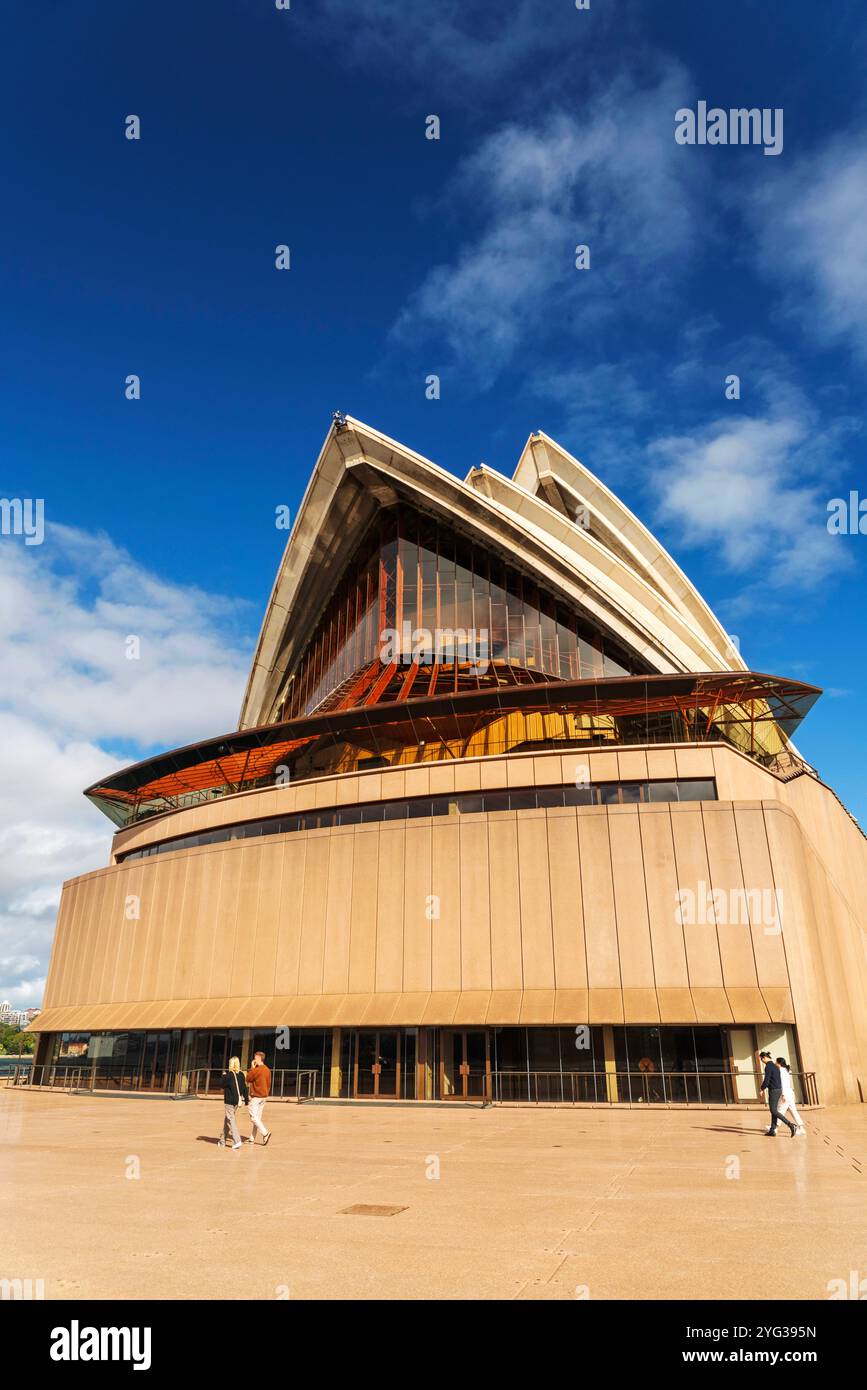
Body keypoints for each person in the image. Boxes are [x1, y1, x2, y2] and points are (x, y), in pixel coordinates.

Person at [758, 1049, 797, 1136]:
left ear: (764, 1058)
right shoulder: (775, 1066)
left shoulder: (768, 1067)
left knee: (773, 1110)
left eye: (761, 1059)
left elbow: (766, 1080)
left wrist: (761, 1089)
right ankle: (772, 1130)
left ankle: (791, 1125)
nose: (762, 1061)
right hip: (778, 1090)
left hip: (774, 1091)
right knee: (774, 1110)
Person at [217, 1056, 249, 1150]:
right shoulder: (242, 1075)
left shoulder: (229, 1075)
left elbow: (222, 1085)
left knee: (230, 1120)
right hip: (237, 1101)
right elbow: (244, 1088)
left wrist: (223, 1075)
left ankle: (237, 1140)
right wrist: (246, 1099)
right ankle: (222, 1141)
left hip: (229, 1101)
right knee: (227, 1119)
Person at [245, 1050, 272, 1146]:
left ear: (259, 1058)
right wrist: (266, 1093)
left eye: (255, 1057)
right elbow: (269, 1084)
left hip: (256, 1096)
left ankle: (265, 1133)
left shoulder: (257, 1069)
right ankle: (252, 1138)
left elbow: (248, 1078)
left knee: (253, 1117)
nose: (254, 1059)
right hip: (264, 1096)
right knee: (257, 1118)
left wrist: (252, 1067)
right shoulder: (267, 1070)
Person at [776, 1057, 806, 1134]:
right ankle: (801, 1127)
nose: (775, 1064)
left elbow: (783, 1083)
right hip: (790, 1093)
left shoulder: (781, 1071)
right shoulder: (786, 1070)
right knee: (793, 1111)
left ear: (779, 1063)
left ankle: (775, 1127)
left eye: (776, 1062)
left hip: (785, 1093)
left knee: (780, 1111)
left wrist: (783, 1094)